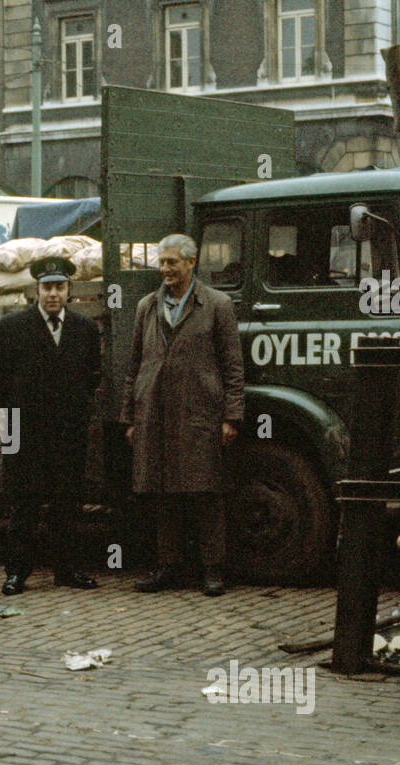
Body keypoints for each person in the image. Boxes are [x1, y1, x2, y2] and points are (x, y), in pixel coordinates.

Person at [122, 233, 243, 596]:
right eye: (161, 263)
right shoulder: (147, 306)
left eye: (172, 262)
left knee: (205, 493)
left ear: (191, 263)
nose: (164, 270)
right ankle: (167, 567)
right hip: (155, 414)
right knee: (163, 494)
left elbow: (233, 366)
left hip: (198, 414)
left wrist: (231, 417)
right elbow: (134, 365)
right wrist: (130, 417)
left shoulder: (217, 305)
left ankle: (212, 570)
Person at [0, 255, 101, 595]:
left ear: (69, 291)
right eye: (47, 287)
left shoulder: (84, 329)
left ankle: (68, 570)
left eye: (59, 287)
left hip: (67, 434)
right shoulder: (12, 327)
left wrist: (74, 410)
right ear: (36, 291)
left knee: (67, 503)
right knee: (24, 505)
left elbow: (93, 375)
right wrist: (18, 409)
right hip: (25, 433)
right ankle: (17, 573)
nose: (53, 294)